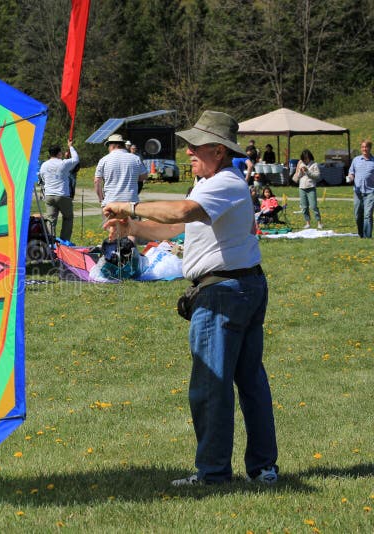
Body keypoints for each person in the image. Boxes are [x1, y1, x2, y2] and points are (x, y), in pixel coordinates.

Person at [102, 110, 278, 486]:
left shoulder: (223, 183)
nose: (187, 153)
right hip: (239, 287)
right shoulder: (216, 183)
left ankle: (214, 473)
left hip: (223, 294)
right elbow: (180, 226)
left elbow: (182, 211)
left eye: (194, 146)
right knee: (250, 381)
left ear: (217, 149)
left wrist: (128, 206)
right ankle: (263, 468)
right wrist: (132, 227)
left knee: (211, 385)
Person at [94, 133, 147, 210]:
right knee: (133, 222)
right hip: (131, 204)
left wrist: (101, 199)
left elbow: (97, 181)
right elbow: (144, 176)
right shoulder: (135, 158)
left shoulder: (103, 160)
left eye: (108, 146)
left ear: (112, 146)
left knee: (110, 222)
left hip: (110, 203)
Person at [39, 141, 79, 242]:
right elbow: (76, 159)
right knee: (68, 218)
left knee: (51, 220)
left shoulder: (44, 165)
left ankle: (51, 242)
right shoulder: (63, 163)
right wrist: (70, 146)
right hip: (62, 195)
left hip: (49, 195)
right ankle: (64, 241)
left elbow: (42, 177)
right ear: (59, 153)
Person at [348, 140, 374, 238]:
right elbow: (351, 172)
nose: (364, 149)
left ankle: (367, 236)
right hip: (358, 192)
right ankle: (361, 234)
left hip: (370, 192)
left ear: (370, 148)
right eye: (363, 147)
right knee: (358, 215)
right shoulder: (356, 160)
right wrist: (350, 177)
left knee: (368, 215)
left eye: (366, 147)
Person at [292, 149, 322, 229]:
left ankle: (319, 222)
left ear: (310, 157)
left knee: (313, 206)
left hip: (311, 187)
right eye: (304, 158)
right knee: (304, 207)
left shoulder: (314, 165)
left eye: (307, 158)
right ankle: (307, 222)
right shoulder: (300, 164)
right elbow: (296, 178)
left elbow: (317, 176)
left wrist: (307, 171)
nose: (306, 160)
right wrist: (300, 171)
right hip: (302, 188)